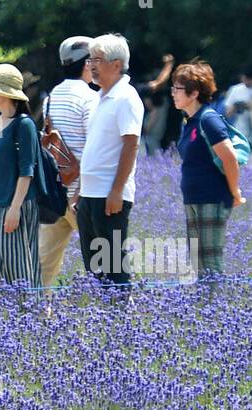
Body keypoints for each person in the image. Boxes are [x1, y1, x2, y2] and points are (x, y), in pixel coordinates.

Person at [78, 34, 143, 289]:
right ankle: (102, 317)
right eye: (90, 59)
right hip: (89, 193)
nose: (92, 65)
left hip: (109, 194)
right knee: (93, 267)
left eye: (98, 59)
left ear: (116, 64)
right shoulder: (97, 98)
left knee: (114, 264)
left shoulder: (126, 96)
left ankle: (120, 320)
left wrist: (116, 190)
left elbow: (131, 144)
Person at [171, 61, 245, 277]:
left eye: (177, 89)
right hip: (194, 199)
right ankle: (205, 306)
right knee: (198, 263)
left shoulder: (208, 119)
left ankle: (215, 307)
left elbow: (229, 158)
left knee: (211, 263)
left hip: (211, 198)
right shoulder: (190, 122)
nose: (173, 93)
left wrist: (234, 191)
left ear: (194, 93)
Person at [0, 64, 41, 289]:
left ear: (5, 93)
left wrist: (15, 209)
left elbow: (26, 171)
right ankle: (10, 315)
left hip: (18, 204)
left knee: (19, 268)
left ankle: (29, 315)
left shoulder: (24, 125)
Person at [39, 36, 99, 287]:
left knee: (44, 265)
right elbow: (93, 151)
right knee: (103, 260)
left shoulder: (50, 97)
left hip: (54, 192)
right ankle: (116, 315)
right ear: (86, 64)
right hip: (81, 194)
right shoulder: (90, 99)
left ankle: (38, 317)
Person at [223, 65, 252, 142]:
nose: (246, 81)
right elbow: (227, 114)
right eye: (244, 78)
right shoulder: (235, 90)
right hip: (240, 131)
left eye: (249, 79)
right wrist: (238, 105)